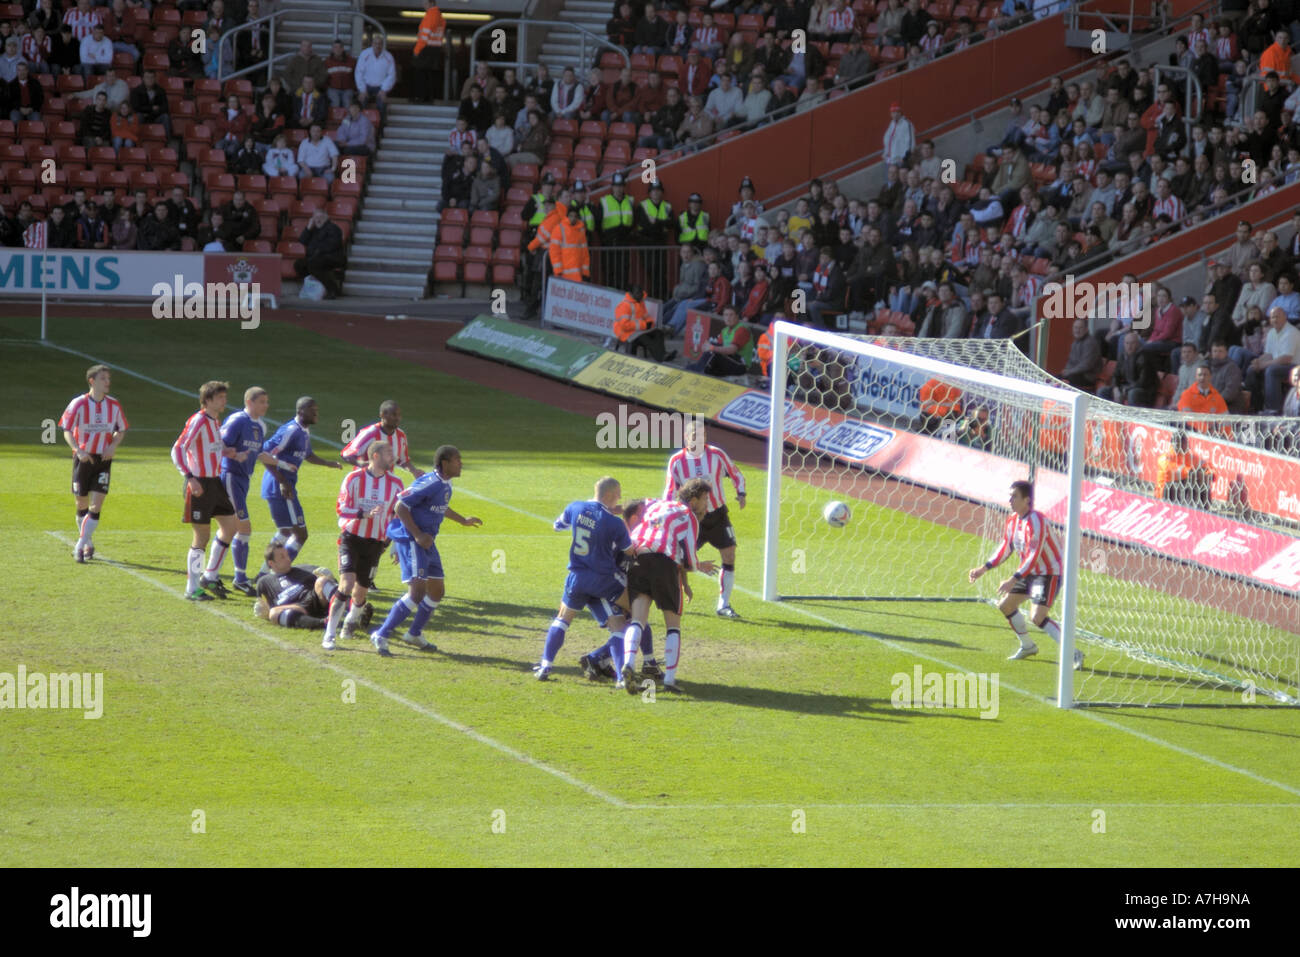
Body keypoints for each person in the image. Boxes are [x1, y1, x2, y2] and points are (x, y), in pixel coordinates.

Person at [370, 445, 483, 656]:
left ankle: (414, 633)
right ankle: (382, 634)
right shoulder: (429, 482)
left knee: (437, 591)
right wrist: (417, 535)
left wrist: (463, 521)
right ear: (445, 463)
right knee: (418, 592)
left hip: (428, 542)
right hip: (413, 540)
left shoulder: (445, 485)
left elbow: (440, 507)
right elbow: (400, 506)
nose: (461, 464)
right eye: (457, 460)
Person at [968, 480, 1082, 669]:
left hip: (1048, 573)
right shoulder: (1013, 519)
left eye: (1014, 496)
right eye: (1010, 495)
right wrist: (984, 568)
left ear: (1026, 500)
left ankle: (1074, 653)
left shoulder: (1037, 521)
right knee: (1005, 605)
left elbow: (1033, 555)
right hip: (1029, 572)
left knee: (1037, 616)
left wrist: (1013, 580)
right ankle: (1028, 646)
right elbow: (1006, 547)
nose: (1010, 500)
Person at [618, 478, 718, 693]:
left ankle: (627, 664)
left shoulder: (657, 503)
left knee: (637, 620)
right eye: (705, 500)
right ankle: (670, 680)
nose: (707, 506)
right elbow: (689, 559)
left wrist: (625, 522)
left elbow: (633, 506)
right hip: (663, 562)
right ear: (693, 501)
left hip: (637, 557)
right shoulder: (690, 517)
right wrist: (697, 566)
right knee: (673, 624)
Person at [533, 477, 636, 681]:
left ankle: (545, 665)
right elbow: (629, 551)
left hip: (577, 577)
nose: (620, 498)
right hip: (604, 581)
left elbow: (557, 526)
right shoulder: (615, 523)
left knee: (562, 620)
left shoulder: (575, 507)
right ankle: (623, 677)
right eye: (618, 495)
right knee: (629, 618)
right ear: (608, 495)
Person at [321, 441, 406, 650]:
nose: (393, 457)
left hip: (376, 543)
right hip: (351, 538)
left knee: (360, 593)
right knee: (346, 585)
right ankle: (329, 634)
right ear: (375, 456)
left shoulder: (396, 483)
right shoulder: (353, 478)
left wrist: (397, 544)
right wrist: (362, 514)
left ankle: (350, 621)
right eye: (388, 453)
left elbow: (399, 516)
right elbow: (341, 508)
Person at [664, 422, 745, 619]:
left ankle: (723, 605)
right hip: (691, 519)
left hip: (718, 516)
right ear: (685, 437)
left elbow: (735, 473)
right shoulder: (676, 461)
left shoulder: (717, 454)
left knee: (730, 555)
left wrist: (741, 492)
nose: (697, 439)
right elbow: (670, 490)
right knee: (676, 559)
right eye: (693, 436)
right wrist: (668, 513)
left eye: (701, 435)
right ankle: (672, 599)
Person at [258, 395, 342, 577]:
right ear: (301, 411)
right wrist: (282, 481)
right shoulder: (290, 431)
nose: (316, 413)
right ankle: (272, 573)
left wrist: (328, 463)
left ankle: (266, 573)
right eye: (313, 410)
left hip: (285, 487)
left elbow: (307, 454)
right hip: (280, 487)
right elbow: (263, 453)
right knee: (299, 534)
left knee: (286, 532)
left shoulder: (303, 431)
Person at [171, 381, 241, 601]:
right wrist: (190, 478)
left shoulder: (214, 421)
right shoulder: (199, 420)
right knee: (202, 536)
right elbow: (178, 448)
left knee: (231, 526)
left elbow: (212, 447)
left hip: (214, 483)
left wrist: (228, 452)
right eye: (220, 397)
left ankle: (209, 574)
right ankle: (192, 588)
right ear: (208, 400)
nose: (224, 401)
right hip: (199, 483)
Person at [60, 364, 128, 563]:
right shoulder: (78, 404)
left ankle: (80, 546)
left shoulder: (114, 405)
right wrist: (78, 450)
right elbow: (66, 429)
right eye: (103, 379)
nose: (108, 382)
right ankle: (88, 542)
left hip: (103, 460)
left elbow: (121, 429)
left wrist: (113, 445)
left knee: (96, 505)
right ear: (92, 381)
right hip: (83, 459)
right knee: (81, 503)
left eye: (108, 379)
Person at [219, 386, 279, 595]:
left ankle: (217, 575)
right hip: (230, 477)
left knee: (232, 529)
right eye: (262, 402)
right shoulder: (237, 420)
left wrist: (282, 464)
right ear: (250, 402)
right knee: (243, 528)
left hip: (244, 480)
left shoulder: (261, 426)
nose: (266, 406)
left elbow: (259, 452)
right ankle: (240, 578)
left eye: (267, 402)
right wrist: (234, 456)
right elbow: (217, 445)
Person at [253, 543, 342, 631]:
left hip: (315, 601)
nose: (288, 559)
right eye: (282, 557)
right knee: (273, 613)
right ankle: (323, 623)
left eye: (287, 555)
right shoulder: (264, 582)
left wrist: (330, 578)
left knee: (322, 581)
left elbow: (329, 582)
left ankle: (349, 609)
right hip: (295, 609)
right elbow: (264, 606)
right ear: (271, 563)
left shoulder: (304, 568)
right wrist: (264, 612)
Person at [340, 400, 424, 478]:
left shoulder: (401, 436)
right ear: (382, 415)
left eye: (399, 415)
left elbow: (403, 460)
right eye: (394, 415)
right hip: (363, 481)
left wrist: (414, 471)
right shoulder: (369, 433)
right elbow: (346, 454)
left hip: (386, 484)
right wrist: (361, 464)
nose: (398, 418)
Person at [688, 304, 753, 377]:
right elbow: (718, 348)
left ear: (737, 316)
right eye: (726, 315)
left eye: (731, 315)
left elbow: (732, 350)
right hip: (727, 361)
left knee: (713, 351)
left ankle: (699, 373)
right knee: (690, 368)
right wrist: (707, 348)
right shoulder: (725, 330)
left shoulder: (742, 329)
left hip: (740, 365)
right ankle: (698, 371)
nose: (728, 318)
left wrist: (711, 348)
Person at [294, 206, 345, 299]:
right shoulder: (313, 230)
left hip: (332, 257)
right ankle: (311, 286)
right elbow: (302, 241)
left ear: (326, 218)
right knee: (299, 264)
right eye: (316, 218)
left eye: (320, 218)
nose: (318, 220)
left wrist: (316, 252)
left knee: (314, 263)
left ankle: (332, 289)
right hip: (316, 258)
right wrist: (308, 228)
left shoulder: (333, 228)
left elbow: (332, 245)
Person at [1154, 431, 1211, 508]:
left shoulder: (1191, 457)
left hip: (1185, 490)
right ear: (1173, 444)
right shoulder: (1165, 458)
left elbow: (1206, 466)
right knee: (1175, 483)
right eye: (1180, 443)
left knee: (1203, 478)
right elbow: (1169, 471)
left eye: (1185, 443)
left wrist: (1209, 473)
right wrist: (1189, 472)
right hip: (1165, 493)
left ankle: (1203, 510)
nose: (1184, 445)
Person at [411, 0, 446, 103]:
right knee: (428, 74)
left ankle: (420, 97)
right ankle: (428, 98)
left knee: (420, 73)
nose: (423, 5)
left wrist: (417, 50)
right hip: (434, 48)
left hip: (426, 49)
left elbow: (424, 35)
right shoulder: (438, 15)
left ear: (431, 3)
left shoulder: (431, 15)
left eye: (425, 3)